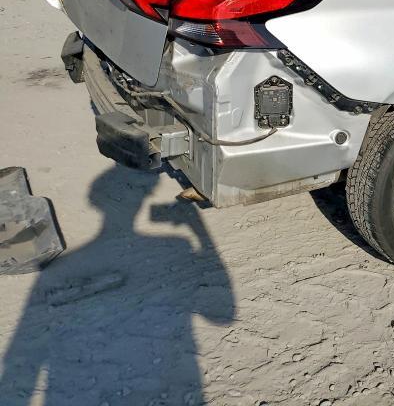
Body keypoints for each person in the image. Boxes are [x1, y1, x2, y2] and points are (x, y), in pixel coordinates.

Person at [0, 166, 235, 405]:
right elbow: (222, 315)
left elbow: (18, 359)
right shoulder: (177, 244)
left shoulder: (65, 264)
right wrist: (199, 229)